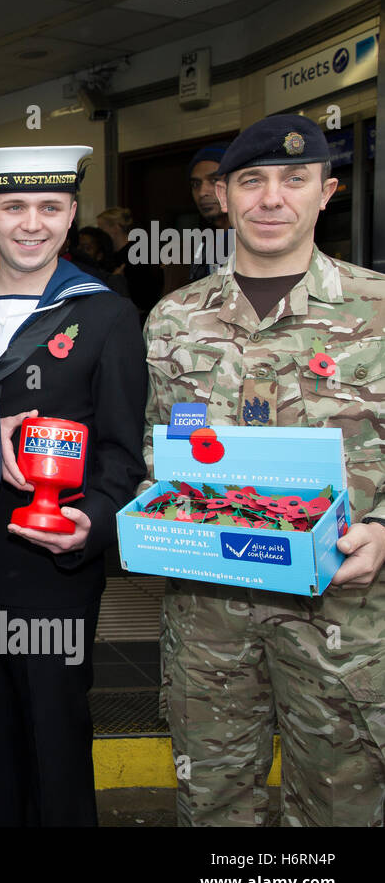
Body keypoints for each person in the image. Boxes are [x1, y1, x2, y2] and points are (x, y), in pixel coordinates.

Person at [144, 113, 385, 827]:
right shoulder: (174, 320)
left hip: (343, 618)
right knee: (214, 802)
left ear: (327, 191)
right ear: (224, 194)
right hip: (209, 614)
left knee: (342, 805)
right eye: (252, 181)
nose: (271, 198)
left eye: (294, 178)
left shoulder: (377, 311)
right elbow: (161, 451)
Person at [0, 145, 148, 826]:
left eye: (50, 208)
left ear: (70, 216)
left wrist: (94, 521)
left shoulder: (105, 313)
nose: (31, 224)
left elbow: (124, 453)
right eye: (14, 207)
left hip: (51, 566)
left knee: (55, 741)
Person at [98, 205, 161, 323]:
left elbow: (145, 290)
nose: (100, 234)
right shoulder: (109, 255)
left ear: (115, 228)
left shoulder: (137, 253)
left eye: (102, 228)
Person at [185, 142, 232, 282]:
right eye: (196, 184)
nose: (202, 192)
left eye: (214, 180)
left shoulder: (257, 243)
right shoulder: (204, 248)